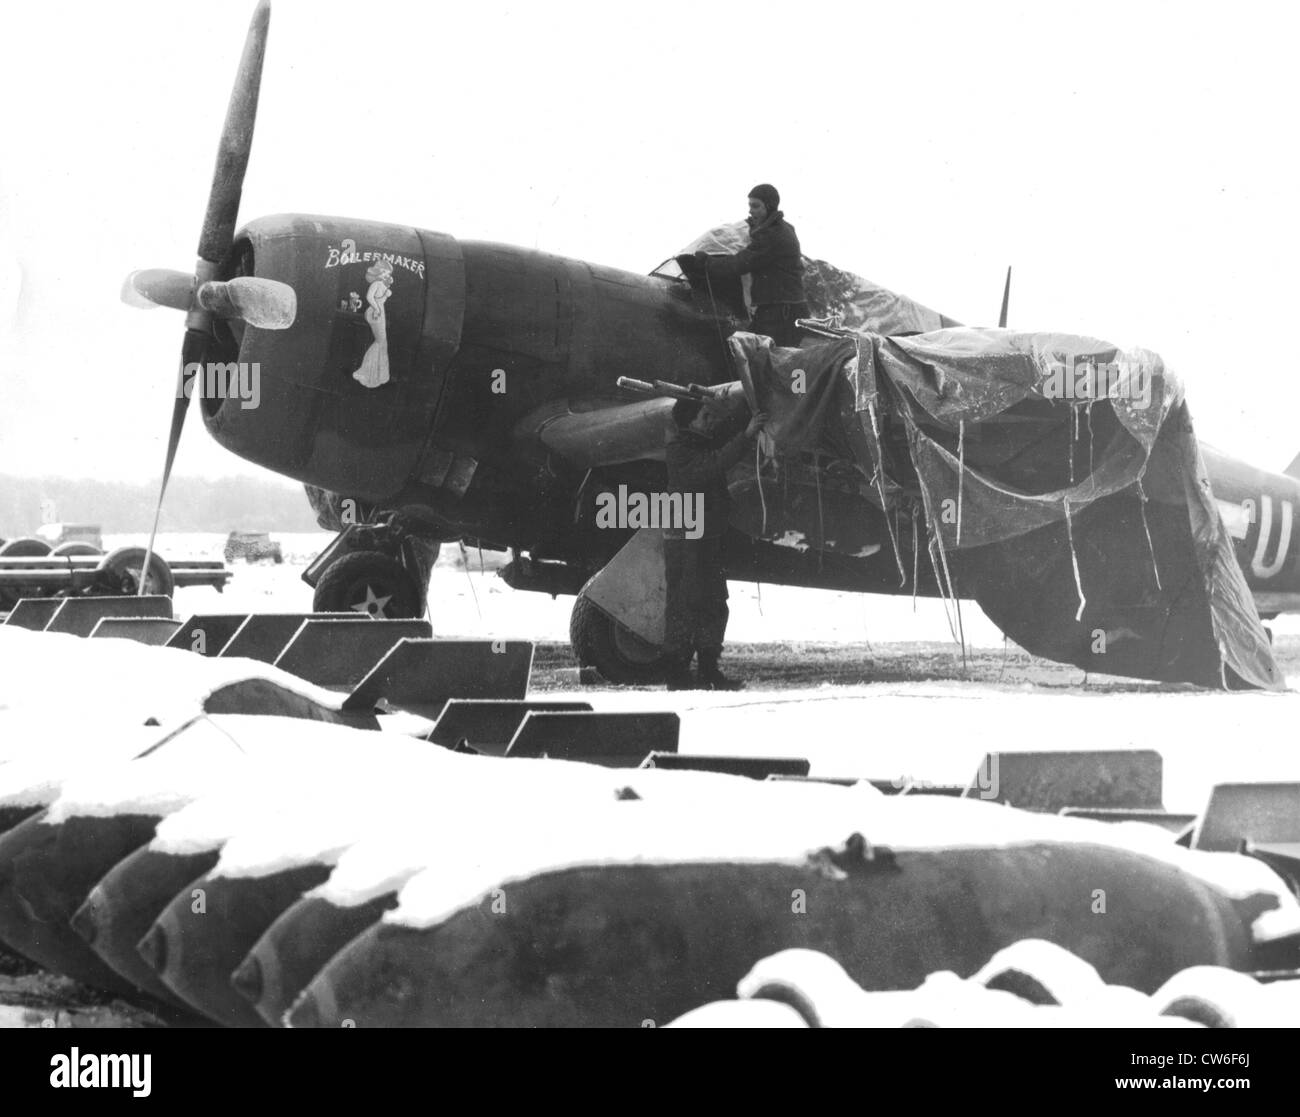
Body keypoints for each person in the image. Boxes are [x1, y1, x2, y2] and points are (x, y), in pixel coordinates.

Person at [663, 397, 766, 690]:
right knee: (687, 603)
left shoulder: (699, 442)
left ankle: (708, 671)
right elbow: (712, 466)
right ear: (689, 421)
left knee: (714, 602)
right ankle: (677, 674)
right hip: (687, 539)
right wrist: (747, 435)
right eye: (705, 416)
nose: (710, 421)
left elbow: (722, 441)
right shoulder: (680, 450)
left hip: (705, 537)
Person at [697, 184, 809, 347]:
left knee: (762, 357)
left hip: (781, 314)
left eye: (755, 206)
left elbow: (741, 263)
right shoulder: (782, 228)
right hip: (783, 310)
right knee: (752, 350)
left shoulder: (773, 235)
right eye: (750, 206)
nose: (750, 211)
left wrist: (708, 263)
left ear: (769, 206)